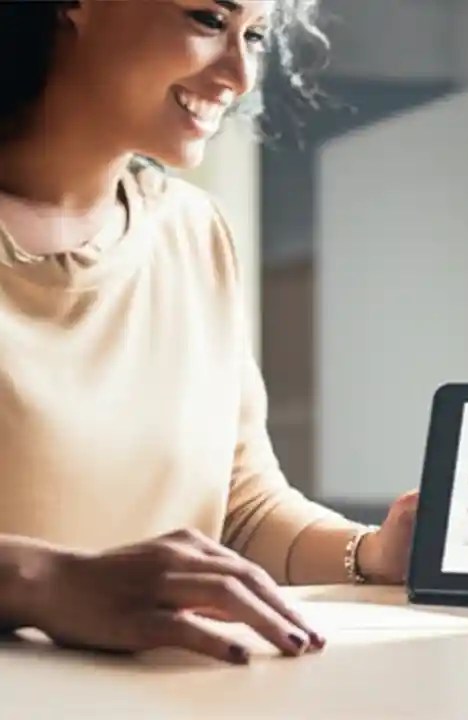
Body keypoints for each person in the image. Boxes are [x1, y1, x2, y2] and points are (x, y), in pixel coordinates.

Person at [0, 1, 419, 665]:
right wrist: (43, 583)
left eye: (253, 35)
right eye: (206, 19)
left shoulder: (194, 232)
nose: (242, 73)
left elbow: (240, 509)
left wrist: (372, 552)